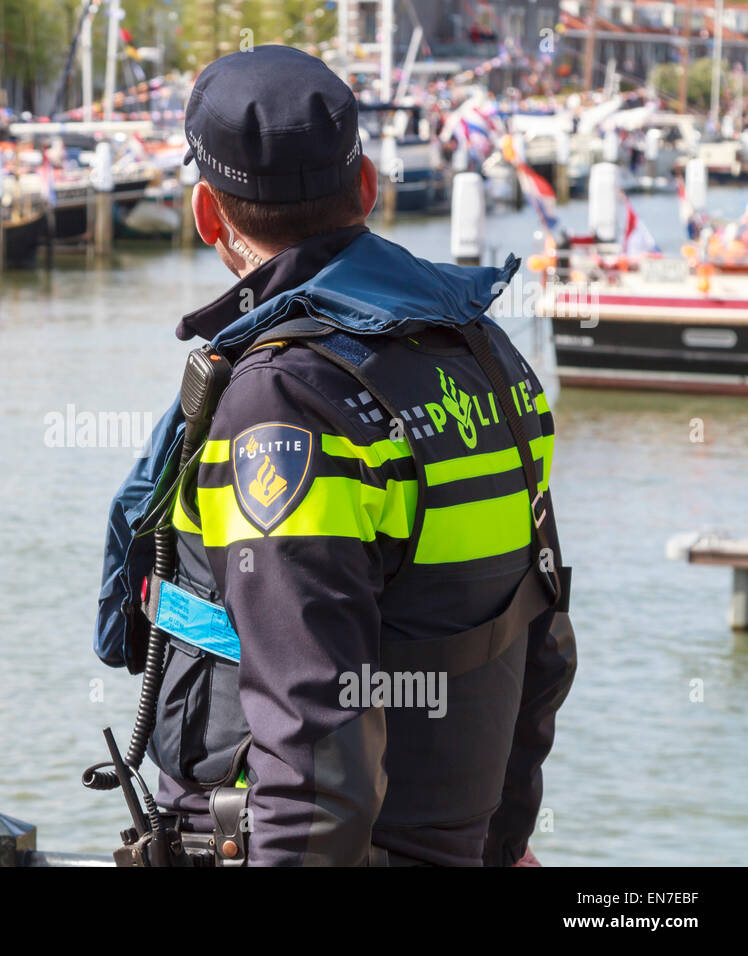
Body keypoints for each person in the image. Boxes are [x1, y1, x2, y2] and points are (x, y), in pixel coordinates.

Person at [92, 46, 577, 867]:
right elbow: (541, 640)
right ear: (368, 187)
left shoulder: (283, 401)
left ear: (209, 216)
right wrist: (502, 841)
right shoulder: (488, 356)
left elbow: (317, 747)